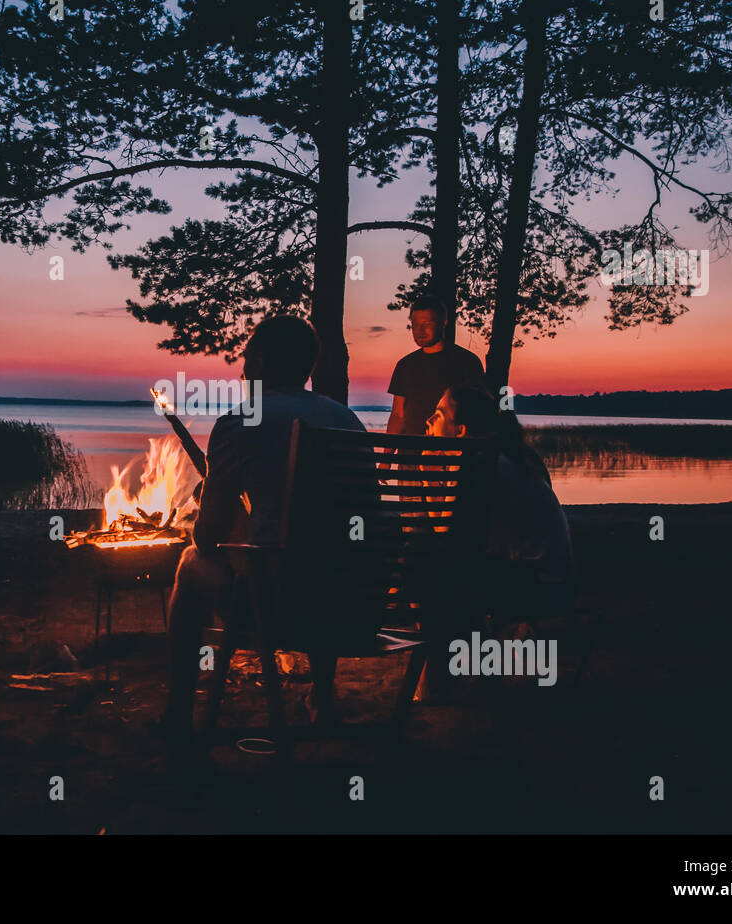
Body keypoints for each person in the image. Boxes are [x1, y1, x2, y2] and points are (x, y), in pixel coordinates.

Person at [153, 316, 365, 746]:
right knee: (325, 556)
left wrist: (213, 507)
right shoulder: (347, 420)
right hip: (353, 602)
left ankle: (177, 714)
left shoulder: (240, 422)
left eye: (247, 356)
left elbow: (208, 537)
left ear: (263, 360)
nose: (242, 366)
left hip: (277, 607)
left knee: (190, 564)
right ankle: (322, 700)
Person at [426, 385, 574, 619]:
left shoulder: (473, 463)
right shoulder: (505, 457)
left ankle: (440, 643)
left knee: (427, 562)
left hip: (534, 586)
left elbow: (446, 538)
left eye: (439, 414)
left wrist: (430, 478)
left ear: (461, 431)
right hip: (552, 582)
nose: (428, 420)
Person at [386, 296, 486, 437]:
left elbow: (478, 413)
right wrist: (386, 456)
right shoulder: (405, 365)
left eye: (427, 324)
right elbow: (398, 415)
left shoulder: (467, 362)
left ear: (443, 323)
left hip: (448, 454)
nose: (420, 330)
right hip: (409, 454)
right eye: (415, 324)